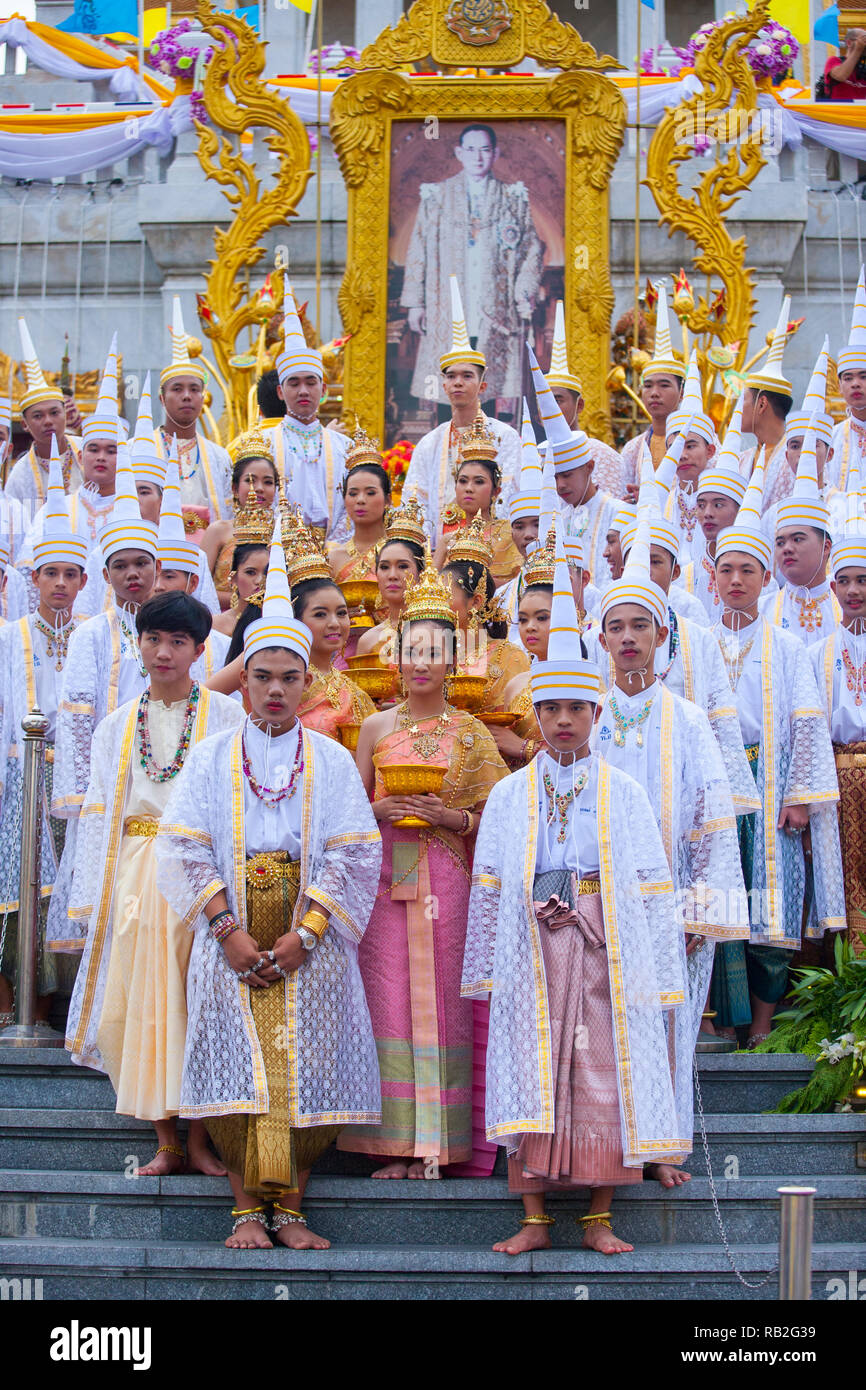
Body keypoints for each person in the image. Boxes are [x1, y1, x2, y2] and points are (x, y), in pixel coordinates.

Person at [155, 526, 382, 1249]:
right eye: (263, 676)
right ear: (243, 679)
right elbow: (186, 845)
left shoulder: (332, 761)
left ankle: (291, 1208)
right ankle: (245, 1208)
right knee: (236, 1058)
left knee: (307, 1063)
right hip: (234, 922)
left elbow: (352, 852)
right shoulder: (213, 755)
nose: (277, 689)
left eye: (290, 677)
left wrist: (305, 935)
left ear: (307, 682)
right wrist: (229, 931)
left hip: (306, 928)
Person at [464, 524, 687, 1255]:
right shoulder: (507, 795)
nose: (563, 721)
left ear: (595, 715)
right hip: (533, 936)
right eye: (551, 710)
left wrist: (655, 971)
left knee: (599, 1065)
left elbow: (650, 886)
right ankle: (532, 1214)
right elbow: (491, 883)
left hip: (600, 939)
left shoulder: (621, 792)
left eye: (576, 710)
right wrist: (488, 967)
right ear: (536, 714)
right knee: (531, 1062)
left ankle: (596, 1213)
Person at [64, 591, 243, 1173]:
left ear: (200, 649)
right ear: (137, 643)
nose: (163, 653)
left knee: (203, 1001)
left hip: (207, 872)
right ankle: (167, 1137)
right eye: (152, 639)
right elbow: (99, 812)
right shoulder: (118, 724)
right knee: (146, 1003)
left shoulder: (227, 717)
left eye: (177, 642)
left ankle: (202, 1136)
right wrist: (95, 892)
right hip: (140, 871)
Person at [339, 561, 507, 1176]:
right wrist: (382, 807)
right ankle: (395, 1142)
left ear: (451, 658)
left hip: (447, 877)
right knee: (389, 999)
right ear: (395, 653)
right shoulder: (376, 727)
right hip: (385, 879)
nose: (421, 663)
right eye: (411, 649)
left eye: (434, 651)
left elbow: (500, 820)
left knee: (442, 1002)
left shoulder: (472, 733)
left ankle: (440, 1145)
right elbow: (350, 814)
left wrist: (451, 818)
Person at [595, 519, 748, 1179]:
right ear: (601, 639)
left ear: (663, 636)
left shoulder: (686, 719)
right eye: (617, 627)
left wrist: (699, 911)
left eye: (641, 627)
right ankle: (608, 1144)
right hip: (598, 904)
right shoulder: (588, 715)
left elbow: (713, 821)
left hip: (675, 903)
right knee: (603, 1027)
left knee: (667, 1026)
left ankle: (662, 1145)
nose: (629, 638)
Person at [710, 455, 845, 1043]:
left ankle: (762, 1028)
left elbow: (808, 723)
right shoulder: (694, 646)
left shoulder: (788, 647)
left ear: (767, 579)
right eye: (727, 571)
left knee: (770, 912)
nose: (736, 581)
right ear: (713, 579)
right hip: (715, 790)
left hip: (769, 788)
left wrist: (799, 798)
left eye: (748, 571)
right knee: (714, 903)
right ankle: (715, 1023)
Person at [0, 448, 88, 1020]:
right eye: (49, 573)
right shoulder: (9, 637)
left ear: (84, 580)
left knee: (70, 883)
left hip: (74, 776)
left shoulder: (94, 636)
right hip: (19, 772)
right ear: (32, 578)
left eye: (69, 574)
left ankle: (58, 1004)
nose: (59, 583)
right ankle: (15, 997)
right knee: (22, 885)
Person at [400, 124, 544, 407]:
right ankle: (449, 444)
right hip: (447, 303)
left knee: (486, 381)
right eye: (471, 150)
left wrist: (523, 292)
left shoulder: (512, 198)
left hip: (494, 306)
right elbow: (418, 249)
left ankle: (486, 446)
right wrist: (416, 304)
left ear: (495, 153)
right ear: (459, 153)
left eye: (485, 150)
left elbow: (531, 249)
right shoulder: (437, 197)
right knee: (451, 380)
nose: (478, 157)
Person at [401, 276, 521, 542]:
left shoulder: (506, 436)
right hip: (439, 548)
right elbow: (414, 500)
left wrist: (488, 538)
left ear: (482, 385)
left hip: (492, 546)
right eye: (451, 376)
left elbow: (511, 493)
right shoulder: (430, 443)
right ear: (443, 384)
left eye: (467, 376)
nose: (458, 382)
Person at [810, 466, 866, 949]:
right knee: (843, 880)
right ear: (832, 589)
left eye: (863, 580)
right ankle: (846, 988)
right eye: (844, 581)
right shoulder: (819, 653)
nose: (853, 591)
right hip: (838, 774)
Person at [264, 287, 351, 543]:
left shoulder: (344, 447)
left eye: (311, 382)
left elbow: (355, 506)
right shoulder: (264, 443)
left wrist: (334, 548)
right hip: (278, 549)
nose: (303, 391)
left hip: (333, 552)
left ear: (323, 389)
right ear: (281, 392)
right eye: (294, 383)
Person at [527, 345, 616, 585]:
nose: (560, 485)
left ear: (589, 467)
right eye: (554, 478)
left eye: (566, 475)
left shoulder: (620, 515)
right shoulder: (553, 521)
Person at [284, 513, 375, 745]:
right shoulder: (277, 679)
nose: (334, 623)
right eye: (320, 614)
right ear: (296, 620)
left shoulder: (356, 696)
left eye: (342, 613)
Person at [762, 419, 840, 647]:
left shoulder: (847, 507)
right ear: (786, 455)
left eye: (812, 445)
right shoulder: (773, 514)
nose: (804, 452)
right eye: (795, 445)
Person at [441, 515, 529, 712]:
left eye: (445, 595)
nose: (437, 604)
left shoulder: (509, 657)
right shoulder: (431, 653)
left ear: (476, 602)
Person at [156, 296, 232, 523]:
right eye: (177, 389)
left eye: (194, 389)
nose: (187, 396)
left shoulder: (220, 456)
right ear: (162, 398)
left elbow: (227, 516)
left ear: (203, 396)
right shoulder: (139, 449)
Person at [680, 395, 749, 621]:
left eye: (718, 504)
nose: (707, 513)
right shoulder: (685, 578)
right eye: (701, 505)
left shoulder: (756, 578)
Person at [546, 300, 624, 497]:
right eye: (544, 403)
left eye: (558, 400)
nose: (549, 410)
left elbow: (610, 512)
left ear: (579, 405)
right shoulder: (534, 457)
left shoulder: (602, 456)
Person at [432, 420, 521, 586]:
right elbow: (431, 585)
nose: (469, 488)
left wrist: (468, 585)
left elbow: (519, 583)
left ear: (496, 491)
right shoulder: (447, 539)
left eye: (479, 482)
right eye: (463, 481)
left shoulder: (509, 533)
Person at [6, 317, 82, 505]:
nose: (48, 421)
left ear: (65, 413)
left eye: (55, 413)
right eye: (38, 416)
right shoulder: (19, 476)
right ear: (24, 424)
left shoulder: (88, 451)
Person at [327, 433, 391, 652]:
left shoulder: (401, 553)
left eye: (370, 492)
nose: (360, 500)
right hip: (343, 651)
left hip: (390, 649)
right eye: (353, 493)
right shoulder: (334, 557)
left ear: (388, 499)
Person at [619, 286, 685, 494]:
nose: (654, 393)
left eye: (664, 385)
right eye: (648, 386)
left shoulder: (696, 444)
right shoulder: (632, 449)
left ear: (681, 392)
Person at [201, 432, 279, 610]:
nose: (259, 488)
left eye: (268, 482)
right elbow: (200, 587)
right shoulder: (218, 532)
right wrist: (245, 601)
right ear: (235, 488)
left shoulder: (285, 533)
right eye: (250, 481)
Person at [661, 355, 718, 568]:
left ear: (710, 450)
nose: (682, 455)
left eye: (690, 446)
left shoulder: (726, 504)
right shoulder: (662, 502)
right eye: (674, 449)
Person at [738, 296, 795, 511]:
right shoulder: (742, 459)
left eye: (743, 400)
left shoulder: (798, 458)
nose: (738, 410)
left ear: (761, 405)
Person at [354, 502, 427, 666]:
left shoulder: (440, 632)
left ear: (421, 575)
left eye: (402, 566)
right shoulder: (368, 641)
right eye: (384, 567)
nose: (392, 575)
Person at [495, 403, 543, 642]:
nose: (529, 535)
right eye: (519, 526)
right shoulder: (502, 597)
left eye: (537, 524)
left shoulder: (582, 591)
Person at [829, 265, 866, 492]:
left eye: (863, 376)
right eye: (848, 378)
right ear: (839, 386)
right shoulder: (832, 437)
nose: (855, 383)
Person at [822, 27, 866, 99]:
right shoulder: (834, 60)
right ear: (849, 43)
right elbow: (841, 76)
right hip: (839, 109)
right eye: (863, 39)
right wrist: (858, 49)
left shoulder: (863, 67)